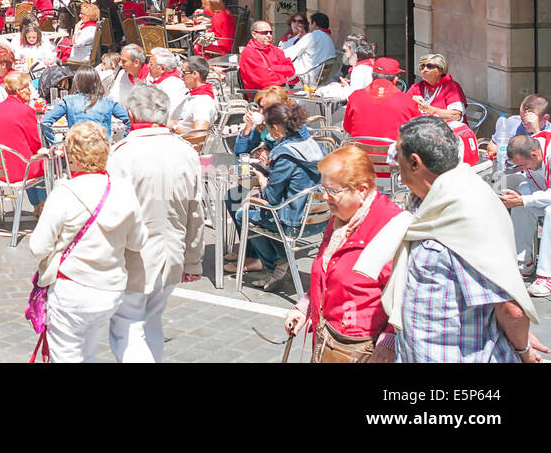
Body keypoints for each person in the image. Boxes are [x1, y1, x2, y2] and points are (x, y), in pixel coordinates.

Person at [357, 116, 544, 363]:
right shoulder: (430, 202)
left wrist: (524, 352)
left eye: (398, 160)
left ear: (415, 163)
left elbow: (511, 310)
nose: (397, 173)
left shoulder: (465, 215)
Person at [28, 119, 147, 363]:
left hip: (72, 288)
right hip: (110, 289)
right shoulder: (123, 190)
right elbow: (137, 242)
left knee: (67, 355)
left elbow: (38, 247)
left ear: (75, 158)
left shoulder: (65, 192)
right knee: (87, 352)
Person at [282, 143, 406, 362]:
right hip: (329, 338)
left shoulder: (389, 228)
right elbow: (328, 271)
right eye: (324, 189)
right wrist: (305, 306)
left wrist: (389, 342)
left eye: (333, 190)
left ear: (361, 190)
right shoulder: (340, 218)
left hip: (359, 347)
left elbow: (404, 297)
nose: (325, 197)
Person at [108, 84, 205, 362]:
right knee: (151, 322)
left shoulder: (122, 153)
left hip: (133, 257)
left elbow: (111, 213)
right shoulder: (186, 151)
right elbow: (195, 210)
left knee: (128, 325)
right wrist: (192, 259)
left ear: (130, 112)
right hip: (171, 252)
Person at [231, 101, 323, 291]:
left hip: (293, 221)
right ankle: (282, 263)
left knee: (244, 213)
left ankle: (277, 266)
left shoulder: (285, 153)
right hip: (318, 218)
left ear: (276, 128)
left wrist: (262, 178)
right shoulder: (313, 145)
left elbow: (271, 197)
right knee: (259, 211)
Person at [0, 71, 48, 212]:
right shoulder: (25, 111)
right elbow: (35, 144)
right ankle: (42, 205)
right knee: (48, 161)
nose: (30, 92)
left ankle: (38, 205)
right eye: (27, 88)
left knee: (29, 159)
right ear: (19, 91)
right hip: (16, 171)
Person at [500, 134, 551, 294]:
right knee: (521, 196)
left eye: (523, 165)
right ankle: (523, 262)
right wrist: (519, 196)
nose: (522, 169)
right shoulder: (533, 145)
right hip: (545, 192)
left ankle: (546, 277)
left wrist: (523, 199)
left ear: (535, 154)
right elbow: (531, 183)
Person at [40, 65, 128, 143]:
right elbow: (130, 120)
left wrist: (54, 144)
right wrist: (122, 143)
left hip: (77, 150)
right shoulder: (108, 102)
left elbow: (45, 122)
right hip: (103, 151)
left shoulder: (68, 101)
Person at [343, 59, 421, 144]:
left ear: (372, 76)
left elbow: (348, 127)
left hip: (361, 155)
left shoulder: (355, 97)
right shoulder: (408, 101)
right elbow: (417, 129)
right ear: (395, 79)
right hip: (395, 156)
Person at [407, 53, 467, 123]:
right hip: (422, 128)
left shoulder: (451, 87)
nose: (424, 70)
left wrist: (429, 109)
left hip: (447, 130)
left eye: (429, 66)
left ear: (441, 70)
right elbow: (403, 106)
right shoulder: (417, 87)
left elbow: (456, 115)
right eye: (422, 67)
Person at [238, 19, 297, 91]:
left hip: (280, 90)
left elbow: (291, 70)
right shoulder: (249, 53)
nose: (269, 35)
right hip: (261, 95)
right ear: (254, 34)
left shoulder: (275, 49)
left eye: (270, 32)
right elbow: (264, 81)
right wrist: (283, 77)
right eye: (265, 33)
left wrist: (272, 68)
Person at [283, 11, 338, 85]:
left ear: (314, 24)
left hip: (302, 77)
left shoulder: (312, 36)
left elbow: (290, 53)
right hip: (316, 76)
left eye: (310, 23)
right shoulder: (328, 39)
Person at [169, 56, 218, 135]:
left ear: (195, 74)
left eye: (183, 73)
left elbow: (199, 134)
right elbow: (187, 121)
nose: (181, 77)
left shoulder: (202, 102)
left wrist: (173, 127)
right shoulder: (196, 96)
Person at [317, 35, 375, 101]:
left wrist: (345, 88)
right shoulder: (366, 66)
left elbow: (354, 97)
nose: (346, 55)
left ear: (354, 53)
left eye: (346, 51)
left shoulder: (359, 70)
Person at [145, 47, 187, 116]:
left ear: (162, 68)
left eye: (151, 64)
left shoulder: (173, 85)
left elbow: (171, 114)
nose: (148, 66)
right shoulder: (152, 78)